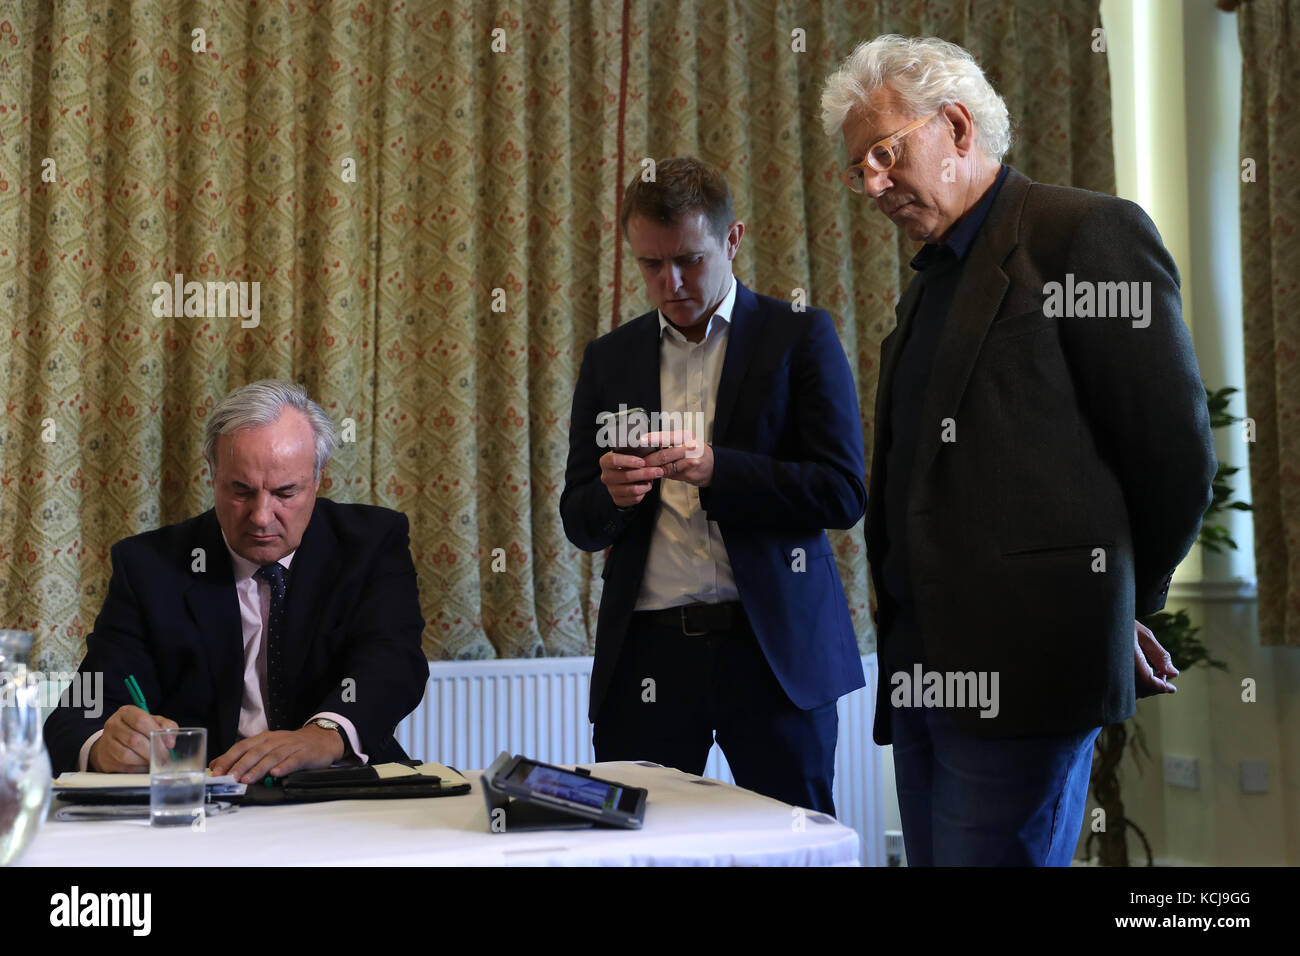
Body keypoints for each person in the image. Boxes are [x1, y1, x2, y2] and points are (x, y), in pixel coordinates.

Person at [820, 35, 1217, 865]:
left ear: (957, 127)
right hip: (928, 674)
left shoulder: (1085, 235)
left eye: (884, 156)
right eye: (860, 170)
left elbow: (1172, 456)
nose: (873, 185)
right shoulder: (930, 283)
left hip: (1028, 668)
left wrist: (1123, 606)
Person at [560, 157, 867, 815]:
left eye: (689, 260)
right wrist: (609, 497)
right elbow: (578, 519)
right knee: (633, 848)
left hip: (774, 653)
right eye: (649, 264)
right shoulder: (609, 360)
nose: (669, 282)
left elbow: (843, 492)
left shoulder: (800, 337)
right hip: (648, 654)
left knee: (791, 850)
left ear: (732, 240)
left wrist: (717, 468)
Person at [43, 380, 428, 783]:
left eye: (285, 492)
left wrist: (325, 734)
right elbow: (82, 706)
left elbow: (393, 661)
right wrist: (103, 745)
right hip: (206, 803)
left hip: (340, 788)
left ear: (317, 478)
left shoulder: (370, 544)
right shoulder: (148, 567)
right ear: (212, 475)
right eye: (241, 491)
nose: (261, 516)